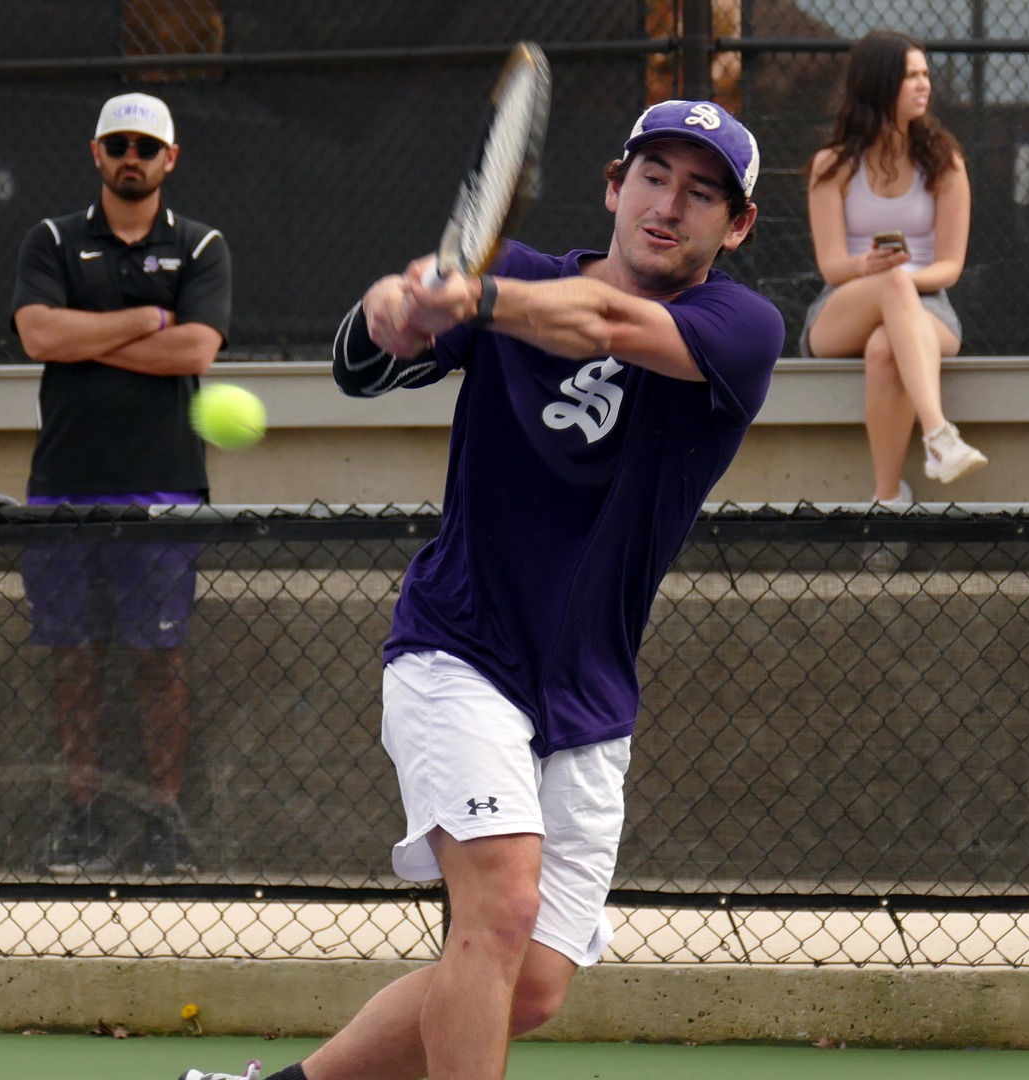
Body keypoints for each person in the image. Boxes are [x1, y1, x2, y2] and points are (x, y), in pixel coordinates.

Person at [179, 99, 783, 1080]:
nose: (671, 204)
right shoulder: (518, 282)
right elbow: (362, 369)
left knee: (531, 982)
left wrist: (478, 297)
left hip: (587, 691)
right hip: (456, 649)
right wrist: (392, 312)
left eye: (704, 192)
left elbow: (609, 323)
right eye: (655, 177)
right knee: (497, 912)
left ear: (737, 224)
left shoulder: (740, 327)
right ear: (614, 186)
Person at [10, 92, 231, 875]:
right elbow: (38, 333)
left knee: (159, 659)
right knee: (73, 658)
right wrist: (145, 320)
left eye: (146, 145)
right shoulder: (52, 239)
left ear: (170, 158)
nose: (130, 156)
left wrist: (86, 337)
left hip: (164, 486)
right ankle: (82, 819)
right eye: (118, 143)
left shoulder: (202, 246)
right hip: (62, 484)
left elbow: (196, 352)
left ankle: (164, 822)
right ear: (96, 153)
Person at [803, 29, 982, 505]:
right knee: (890, 284)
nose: (925, 85)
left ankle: (888, 502)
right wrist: (870, 267)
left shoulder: (945, 162)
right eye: (911, 76)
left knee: (886, 347)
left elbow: (948, 267)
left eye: (926, 74)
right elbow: (832, 266)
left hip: (929, 308)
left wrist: (900, 279)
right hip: (843, 307)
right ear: (880, 84)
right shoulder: (832, 165)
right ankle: (939, 433)